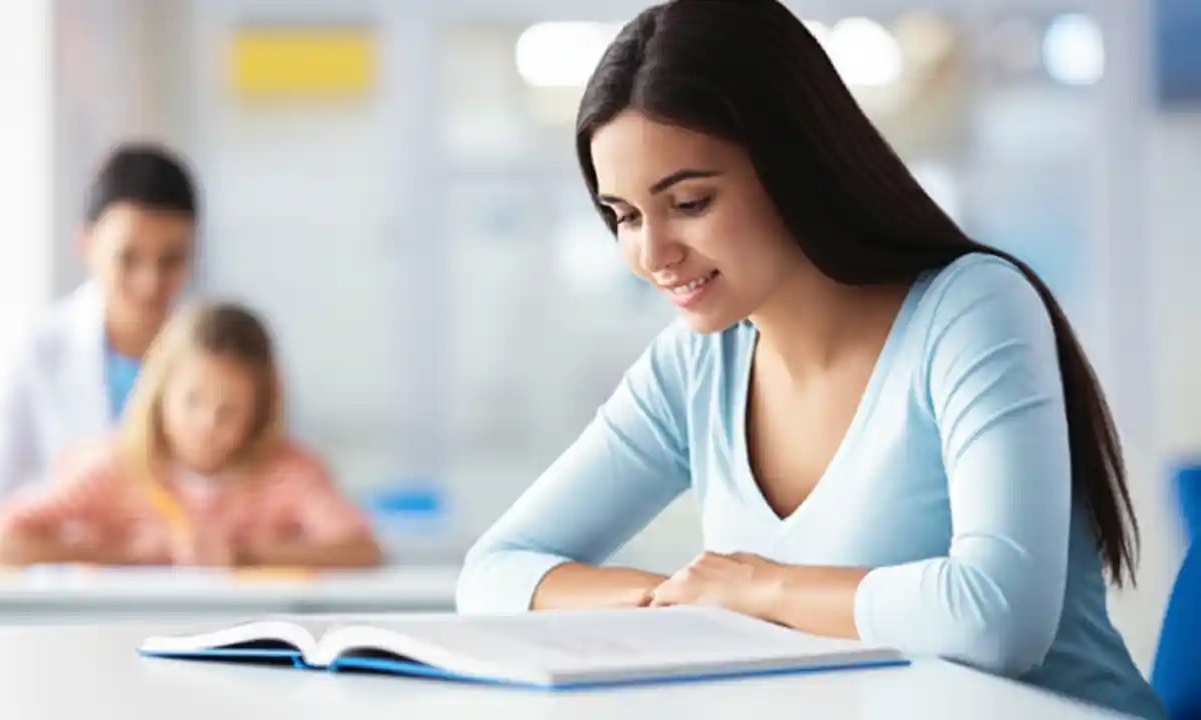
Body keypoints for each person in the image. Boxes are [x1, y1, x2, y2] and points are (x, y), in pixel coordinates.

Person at [456, 2, 1164, 717]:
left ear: (797, 166)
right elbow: (494, 572)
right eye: (625, 216)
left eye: (691, 201)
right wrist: (675, 605)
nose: (650, 254)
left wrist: (758, 589)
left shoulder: (972, 309)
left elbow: (996, 620)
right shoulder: (696, 366)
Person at [0, 302, 381, 568]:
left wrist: (242, 555)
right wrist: (129, 555)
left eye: (229, 410)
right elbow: (2, 544)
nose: (207, 423)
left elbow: (363, 551)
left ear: (259, 412)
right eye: (192, 401)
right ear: (161, 394)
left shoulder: (286, 474)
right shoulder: (116, 469)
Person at [0, 142, 198, 505]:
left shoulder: (217, 351)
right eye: (127, 258)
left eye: (171, 260)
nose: (150, 283)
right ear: (86, 243)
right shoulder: (42, 349)